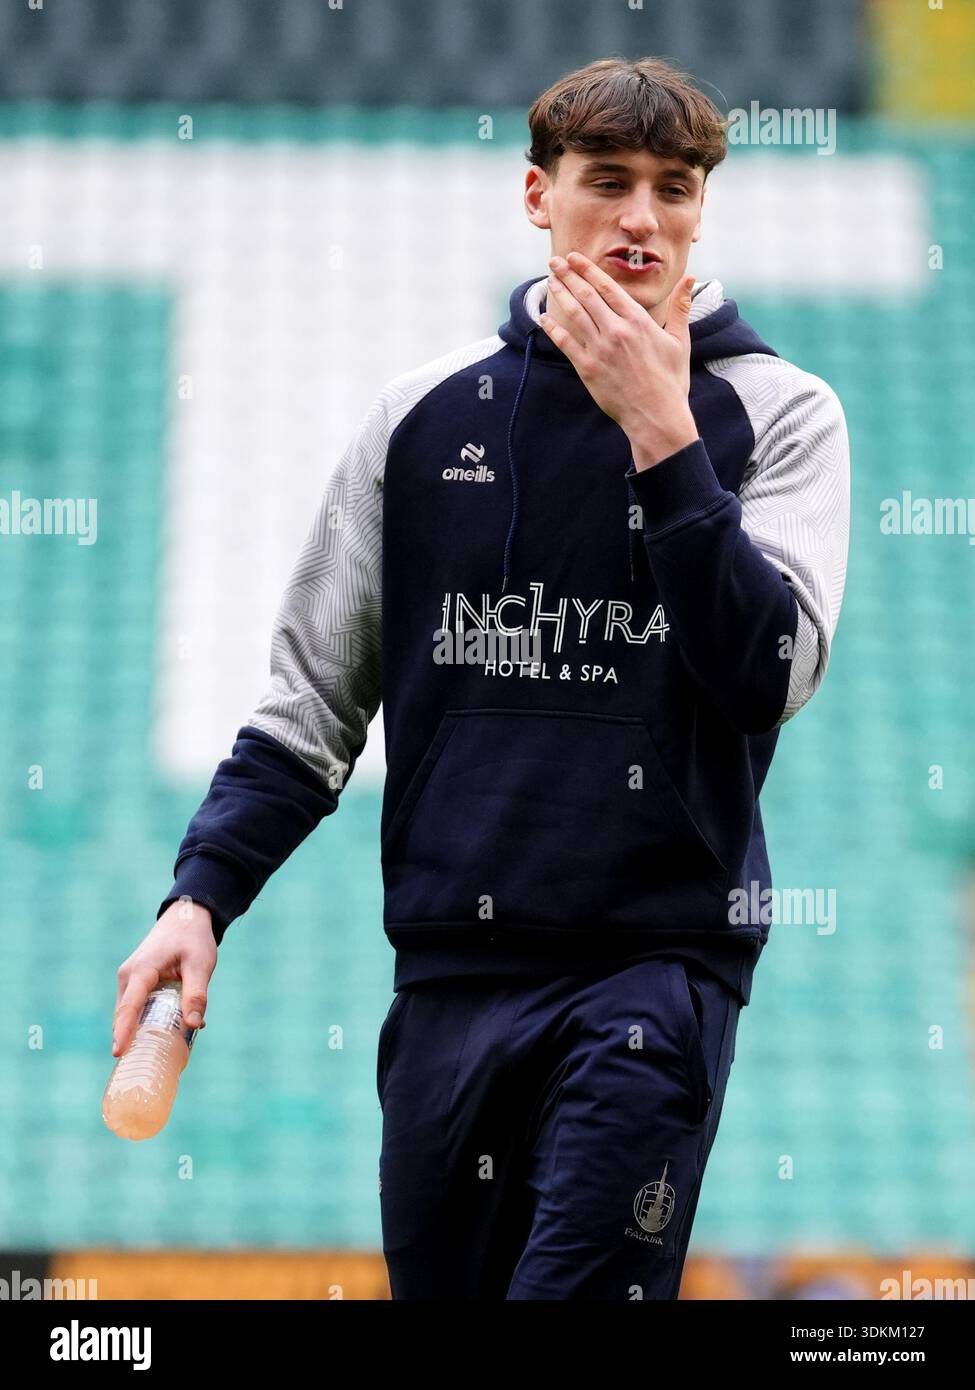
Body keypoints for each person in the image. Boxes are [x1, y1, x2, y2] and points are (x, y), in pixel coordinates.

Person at [112, 55, 850, 1299]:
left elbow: (767, 672)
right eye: (605, 182)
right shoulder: (420, 416)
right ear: (535, 194)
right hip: (448, 983)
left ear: (701, 210)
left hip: (649, 980)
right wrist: (201, 895)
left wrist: (664, 440)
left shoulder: (780, 415)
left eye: (674, 190)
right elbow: (309, 710)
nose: (640, 219)